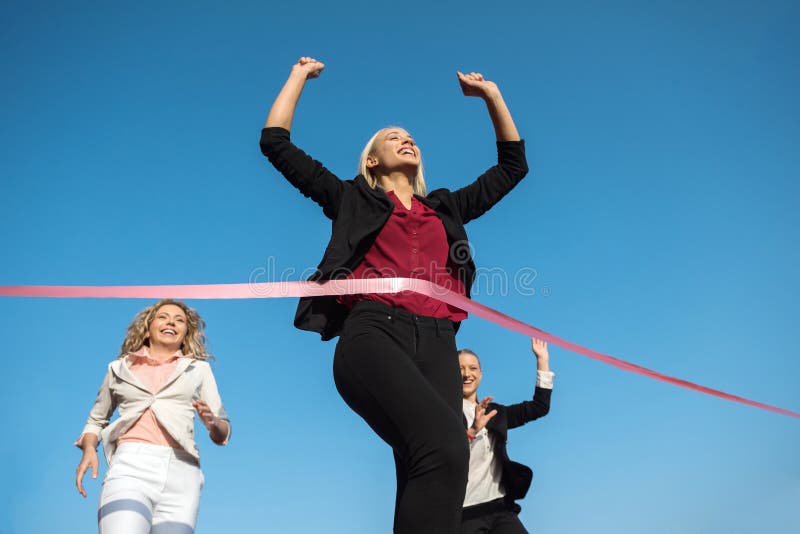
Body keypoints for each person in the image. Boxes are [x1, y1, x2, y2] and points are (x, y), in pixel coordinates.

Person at [260, 57, 529, 533]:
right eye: (392, 137)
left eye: (411, 136)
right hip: (374, 334)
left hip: (439, 344)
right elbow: (276, 144)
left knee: (429, 466)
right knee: (445, 444)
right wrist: (298, 77)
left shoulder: (446, 208)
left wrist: (492, 96)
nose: (406, 139)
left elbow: (513, 167)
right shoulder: (351, 199)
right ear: (371, 160)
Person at [74, 299, 231, 534]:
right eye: (163, 317)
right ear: (147, 328)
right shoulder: (119, 368)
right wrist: (89, 449)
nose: (171, 322)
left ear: (185, 333)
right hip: (131, 466)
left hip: (183, 472)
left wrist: (212, 424)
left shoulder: (198, 369)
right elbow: (96, 420)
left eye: (179, 320)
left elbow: (223, 432)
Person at [460, 339, 553, 534]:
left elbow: (539, 407)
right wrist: (472, 431)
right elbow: (446, 456)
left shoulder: (494, 413)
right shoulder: (445, 415)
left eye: (473, 368)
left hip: (500, 508)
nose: (467, 374)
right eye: (460, 368)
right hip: (465, 514)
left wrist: (542, 360)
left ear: (481, 374)